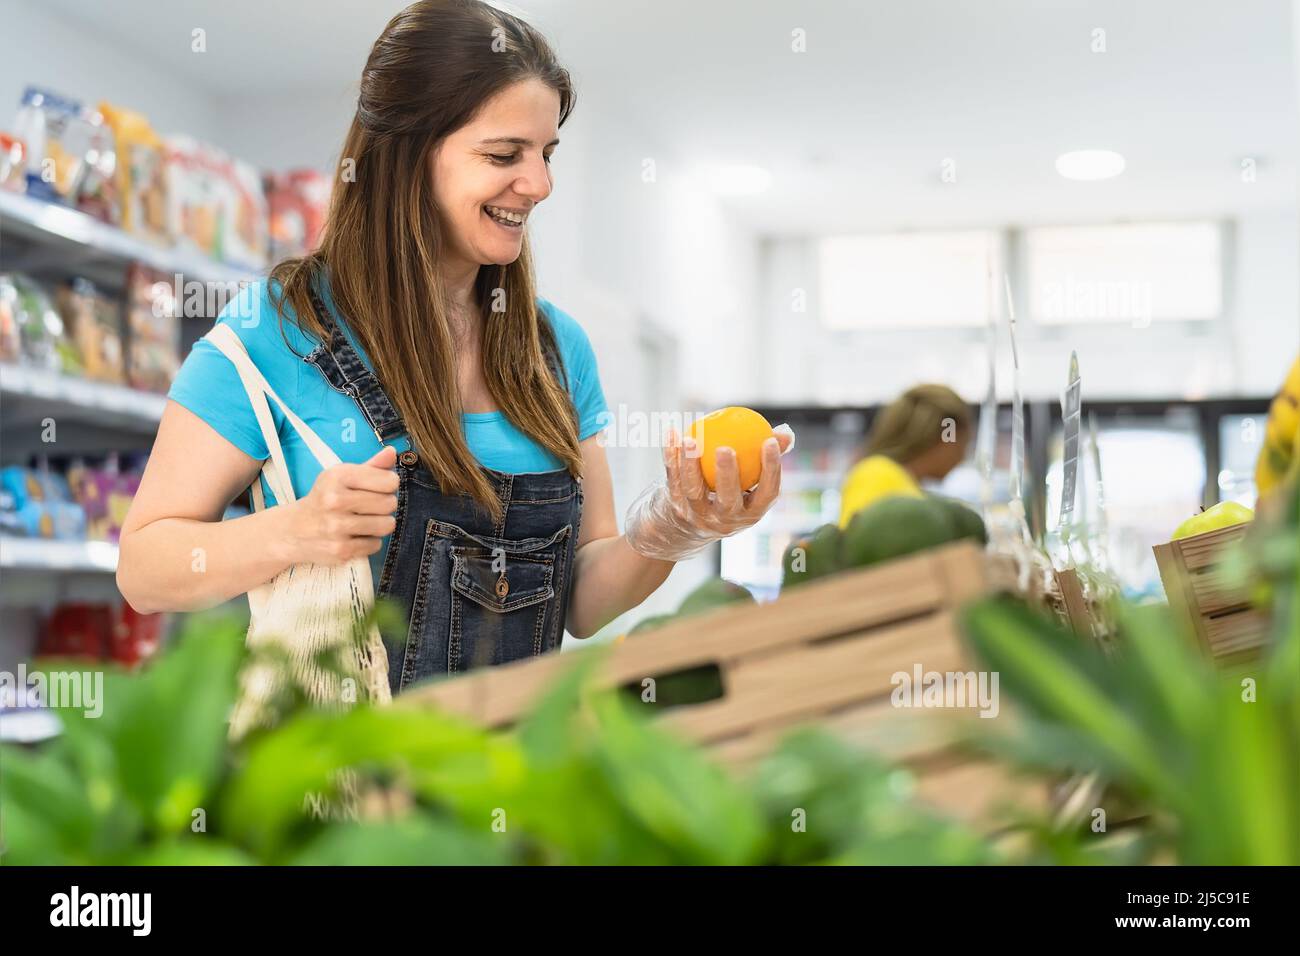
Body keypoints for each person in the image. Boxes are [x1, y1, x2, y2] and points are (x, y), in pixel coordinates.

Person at [117, 0, 792, 693]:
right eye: (505, 155)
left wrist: (669, 532)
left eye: (546, 154)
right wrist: (291, 533)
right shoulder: (280, 330)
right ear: (407, 156)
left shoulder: (556, 352)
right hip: (340, 789)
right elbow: (144, 569)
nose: (539, 184)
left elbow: (581, 604)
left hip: (508, 782)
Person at [837, 384, 972, 528]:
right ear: (946, 436)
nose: (962, 456)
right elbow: (859, 545)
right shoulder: (876, 475)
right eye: (963, 442)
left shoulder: (897, 481)